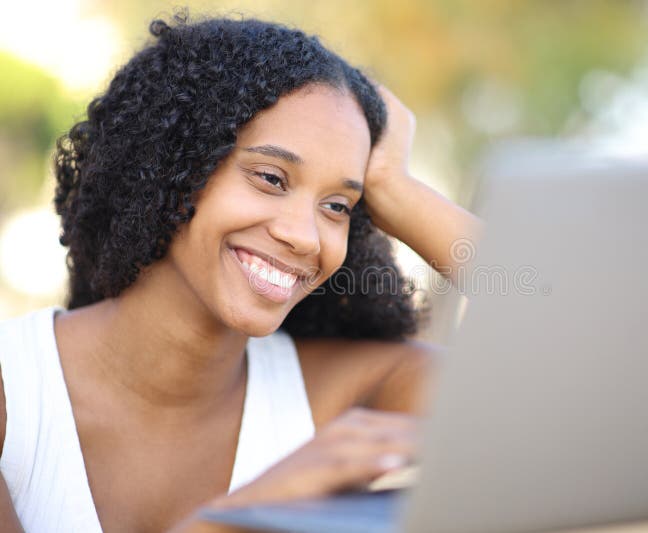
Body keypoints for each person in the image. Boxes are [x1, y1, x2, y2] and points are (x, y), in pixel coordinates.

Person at [0, 14, 480, 533]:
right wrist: (239, 517)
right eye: (271, 178)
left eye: (338, 206)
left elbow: (575, 375)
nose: (305, 236)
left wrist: (396, 189)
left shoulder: (350, 392)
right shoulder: (15, 393)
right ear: (174, 166)